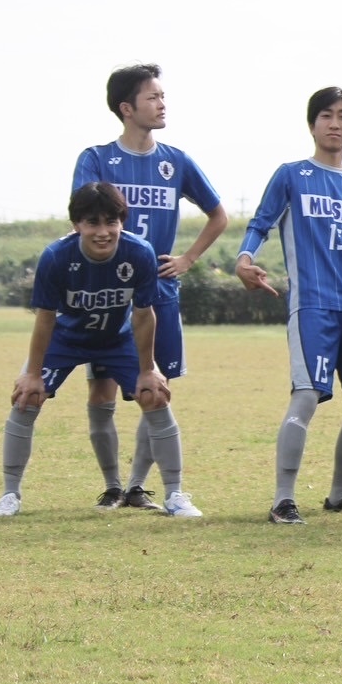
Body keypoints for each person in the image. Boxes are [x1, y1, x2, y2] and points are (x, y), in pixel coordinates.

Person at [236, 87, 342, 525]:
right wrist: (245, 260)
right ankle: (283, 499)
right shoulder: (292, 174)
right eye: (327, 115)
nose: (335, 123)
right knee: (307, 395)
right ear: (312, 123)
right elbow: (261, 223)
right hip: (312, 307)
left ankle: (339, 495)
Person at [0, 182, 200, 517]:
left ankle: (175, 495)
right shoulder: (56, 256)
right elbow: (44, 319)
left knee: (155, 395)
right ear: (77, 225)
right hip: (66, 338)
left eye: (111, 222)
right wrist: (32, 374)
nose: (103, 232)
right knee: (25, 399)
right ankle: (10, 495)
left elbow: (144, 315)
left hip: (117, 340)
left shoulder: (139, 252)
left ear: (121, 222)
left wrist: (148, 369)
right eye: (92, 223)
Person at [72, 63, 228, 510]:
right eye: (153, 97)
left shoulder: (175, 161)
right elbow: (82, 217)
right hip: (107, 294)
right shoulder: (97, 159)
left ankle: (138, 487)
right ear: (126, 108)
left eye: (163, 96)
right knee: (101, 390)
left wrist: (188, 259)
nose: (162, 104)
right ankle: (112, 484)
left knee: (154, 389)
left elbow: (219, 215)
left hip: (157, 291)